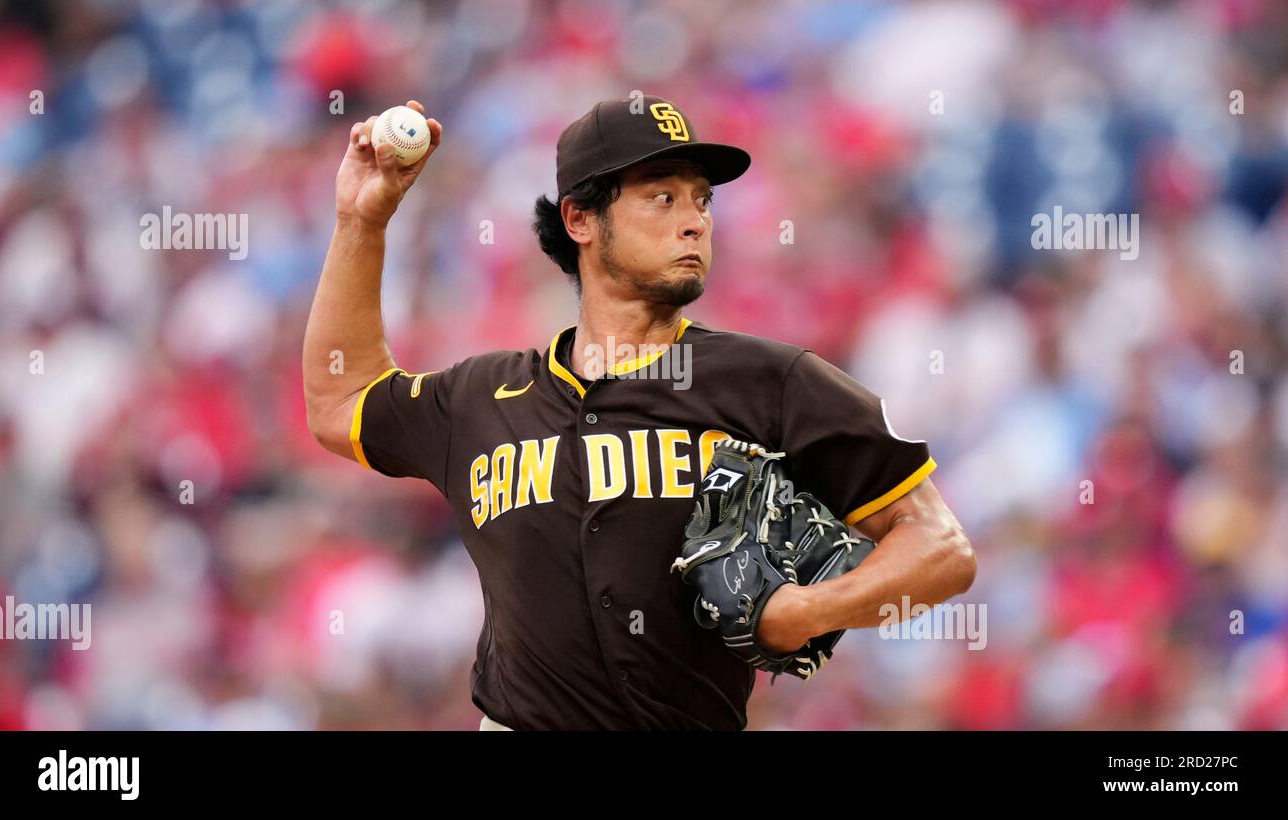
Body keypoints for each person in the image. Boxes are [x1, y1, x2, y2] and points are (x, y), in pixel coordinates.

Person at [302, 96, 976, 730]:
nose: (695, 219)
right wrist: (363, 221)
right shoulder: (483, 400)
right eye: (662, 197)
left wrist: (808, 610)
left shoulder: (771, 383)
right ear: (580, 220)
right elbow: (340, 402)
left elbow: (940, 548)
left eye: (701, 199)